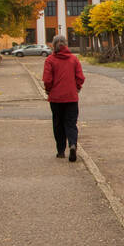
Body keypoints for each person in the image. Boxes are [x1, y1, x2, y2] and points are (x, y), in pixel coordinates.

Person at [43, 34, 86, 162]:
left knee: (58, 124)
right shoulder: (74, 59)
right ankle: (72, 144)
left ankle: (60, 151)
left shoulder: (50, 60)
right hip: (71, 97)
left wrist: (48, 90)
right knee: (71, 123)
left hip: (56, 98)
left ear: (53, 45)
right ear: (66, 45)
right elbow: (80, 77)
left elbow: (47, 79)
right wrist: (77, 87)